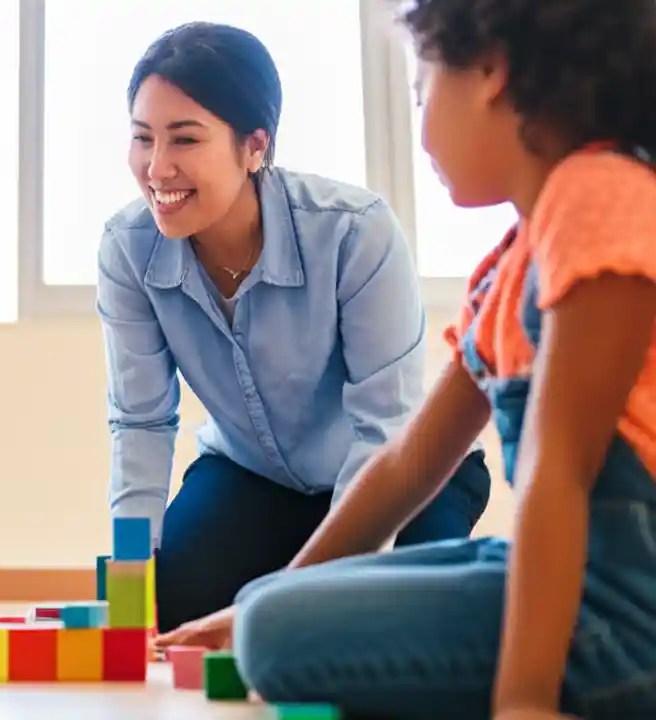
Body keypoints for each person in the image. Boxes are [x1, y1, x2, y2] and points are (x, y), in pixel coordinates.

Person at [157, 1, 656, 718]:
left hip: (629, 611)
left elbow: (560, 469)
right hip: (585, 581)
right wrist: (275, 592)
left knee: (276, 633)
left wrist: (524, 702)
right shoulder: (513, 261)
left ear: (490, 74)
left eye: (422, 92)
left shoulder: (598, 196)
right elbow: (409, 463)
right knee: (268, 606)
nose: (421, 130)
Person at [98, 20, 492, 632]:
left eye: (185, 140)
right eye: (142, 138)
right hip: (255, 476)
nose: (157, 168)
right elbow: (140, 420)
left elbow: (384, 431)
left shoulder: (354, 232)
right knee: (170, 606)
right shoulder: (128, 248)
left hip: (407, 475)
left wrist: (304, 598)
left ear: (255, 146)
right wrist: (128, 581)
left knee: (396, 624)